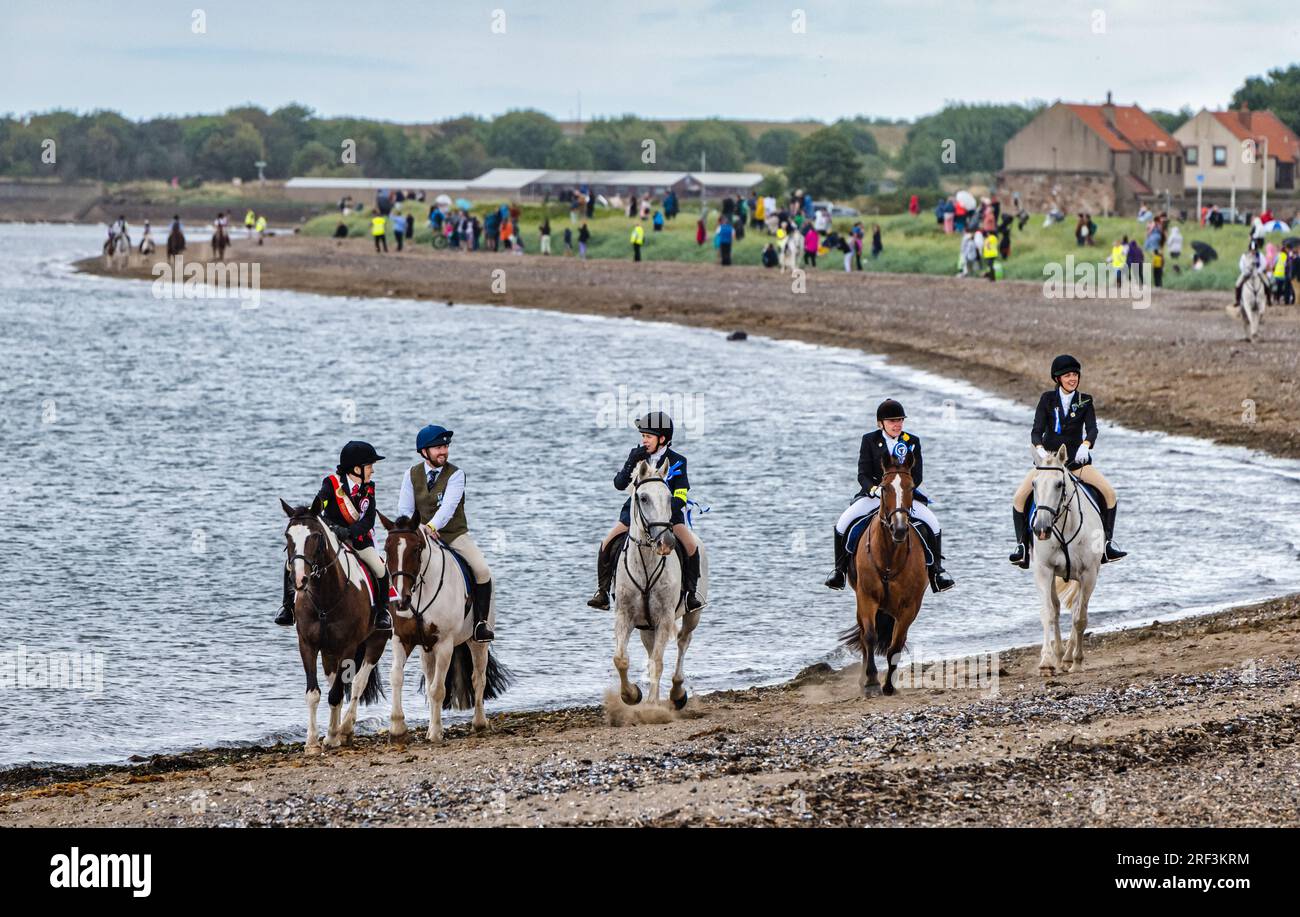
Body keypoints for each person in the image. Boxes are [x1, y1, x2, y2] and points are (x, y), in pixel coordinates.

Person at [824, 399, 954, 594]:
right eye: (892, 421)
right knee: (843, 523)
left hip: (902, 497)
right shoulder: (869, 440)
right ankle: (840, 571)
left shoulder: (912, 441)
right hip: (874, 495)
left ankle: (937, 572)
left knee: (933, 524)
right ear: (881, 423)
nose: (897, 424)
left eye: (900, 420)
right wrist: (874, 489)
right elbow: (862, 473)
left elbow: (917, 475)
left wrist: (903, 491)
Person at [1008, 355, 1126, 568]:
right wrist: (1041, 451)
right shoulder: (1046, 400)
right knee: (1019, 498)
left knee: (1109, 494)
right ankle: (1022, 547)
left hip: (1077, 464)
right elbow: (1036, 431)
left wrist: (1086, 445)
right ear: (1058, 378)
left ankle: (1105, 545)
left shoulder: (1085, 400)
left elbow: (1092, 428)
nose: (1073, 379)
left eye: (1075, 375)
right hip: (1049, 465)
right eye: (1068, 375)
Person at [587, 412, 705, 612]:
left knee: (691, 546)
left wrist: (664, 513)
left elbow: (682, 495)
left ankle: (690, 595)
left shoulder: (678, 461)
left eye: (648, 436)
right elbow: (619, 484)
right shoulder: (637, 455)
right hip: (635, 514)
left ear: (662, 439)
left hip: (668, 516)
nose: (644, 440)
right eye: (643, 436)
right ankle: (603, 592)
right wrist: (630, 463)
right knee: (607, 542)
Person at [276, 441, 392, 631]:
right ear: (357, 469)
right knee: (290, 564)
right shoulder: (331, 484)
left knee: (380, 568)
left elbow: (368, 521)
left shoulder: (369, 489)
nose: (372, 471)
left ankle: (382, 612)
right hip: (332, 539)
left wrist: (349, 532)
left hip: (359, 540)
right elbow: (320, 505)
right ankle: (287, 608)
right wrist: (330, 526)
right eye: (370, 466)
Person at [396, 424, 496, 642]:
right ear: (424, 451)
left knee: (482, 570)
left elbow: (448, 508)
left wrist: (432, 527)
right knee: (397, 566)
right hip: (421, 537)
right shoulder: (411, 475)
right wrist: (421, 530)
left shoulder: (456, 474)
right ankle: (391, 616)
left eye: (445, 446)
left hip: (453, 534)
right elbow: (405, 510)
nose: (443, 451)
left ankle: (480, 624)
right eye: (437, 447)